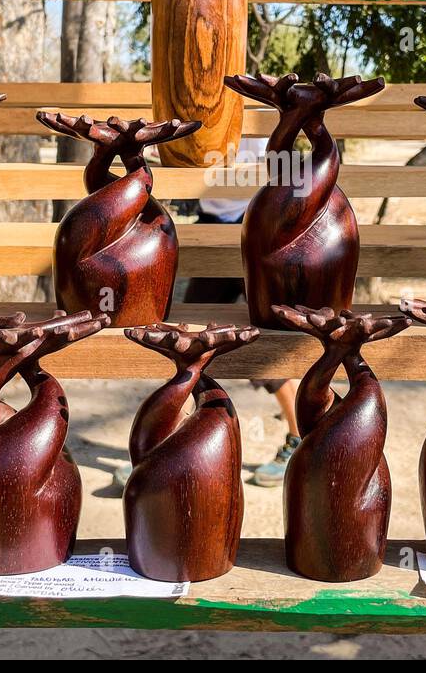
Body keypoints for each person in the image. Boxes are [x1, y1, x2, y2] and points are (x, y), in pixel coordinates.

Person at [112, 137, 301, 490]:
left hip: (256, 231)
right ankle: (169, 441)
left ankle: (298, 436)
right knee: (188, 341)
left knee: (271, 348)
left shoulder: (260, 121)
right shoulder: (204, 119)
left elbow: (284, 174)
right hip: (209, 226)